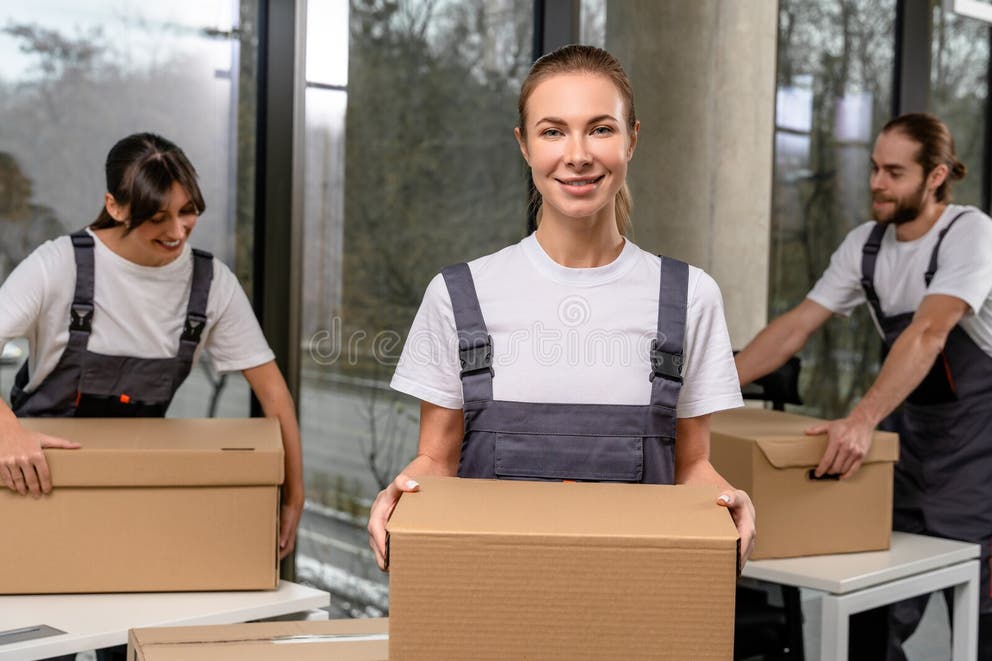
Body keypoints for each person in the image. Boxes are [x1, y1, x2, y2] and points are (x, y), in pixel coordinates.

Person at [367, 45, 755, 572]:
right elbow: (437, 459)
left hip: (638, 600)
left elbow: (691, 466)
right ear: (524, 145)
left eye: (600, 129)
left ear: (632, 139)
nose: (577, 154)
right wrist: (401, 495)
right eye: (553, 131)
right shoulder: (460, 295)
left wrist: (730, 503)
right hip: (491, 597)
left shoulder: (689, 296)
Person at [0, 133, 304, 659]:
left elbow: (273, 393)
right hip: (36, 490)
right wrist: (6, 430)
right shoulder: (58, 266)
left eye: (187, 212)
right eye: (156, 217)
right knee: (43, 647)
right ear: (113, 206)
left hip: (135, 501)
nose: (176, 230)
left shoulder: (211, 285)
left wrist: (293, 494)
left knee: (133, 641)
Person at [734, 112, 992, 659]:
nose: (877, 182)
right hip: (912, 444)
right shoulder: (866, 246)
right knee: (870, 624)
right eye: (875, 168)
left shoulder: (969, 233)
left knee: (981, 621)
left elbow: (928, 333)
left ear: (936, 176)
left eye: (894, 172)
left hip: (981, 452)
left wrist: (860, 419)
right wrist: (708, 389)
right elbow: (797, 326)